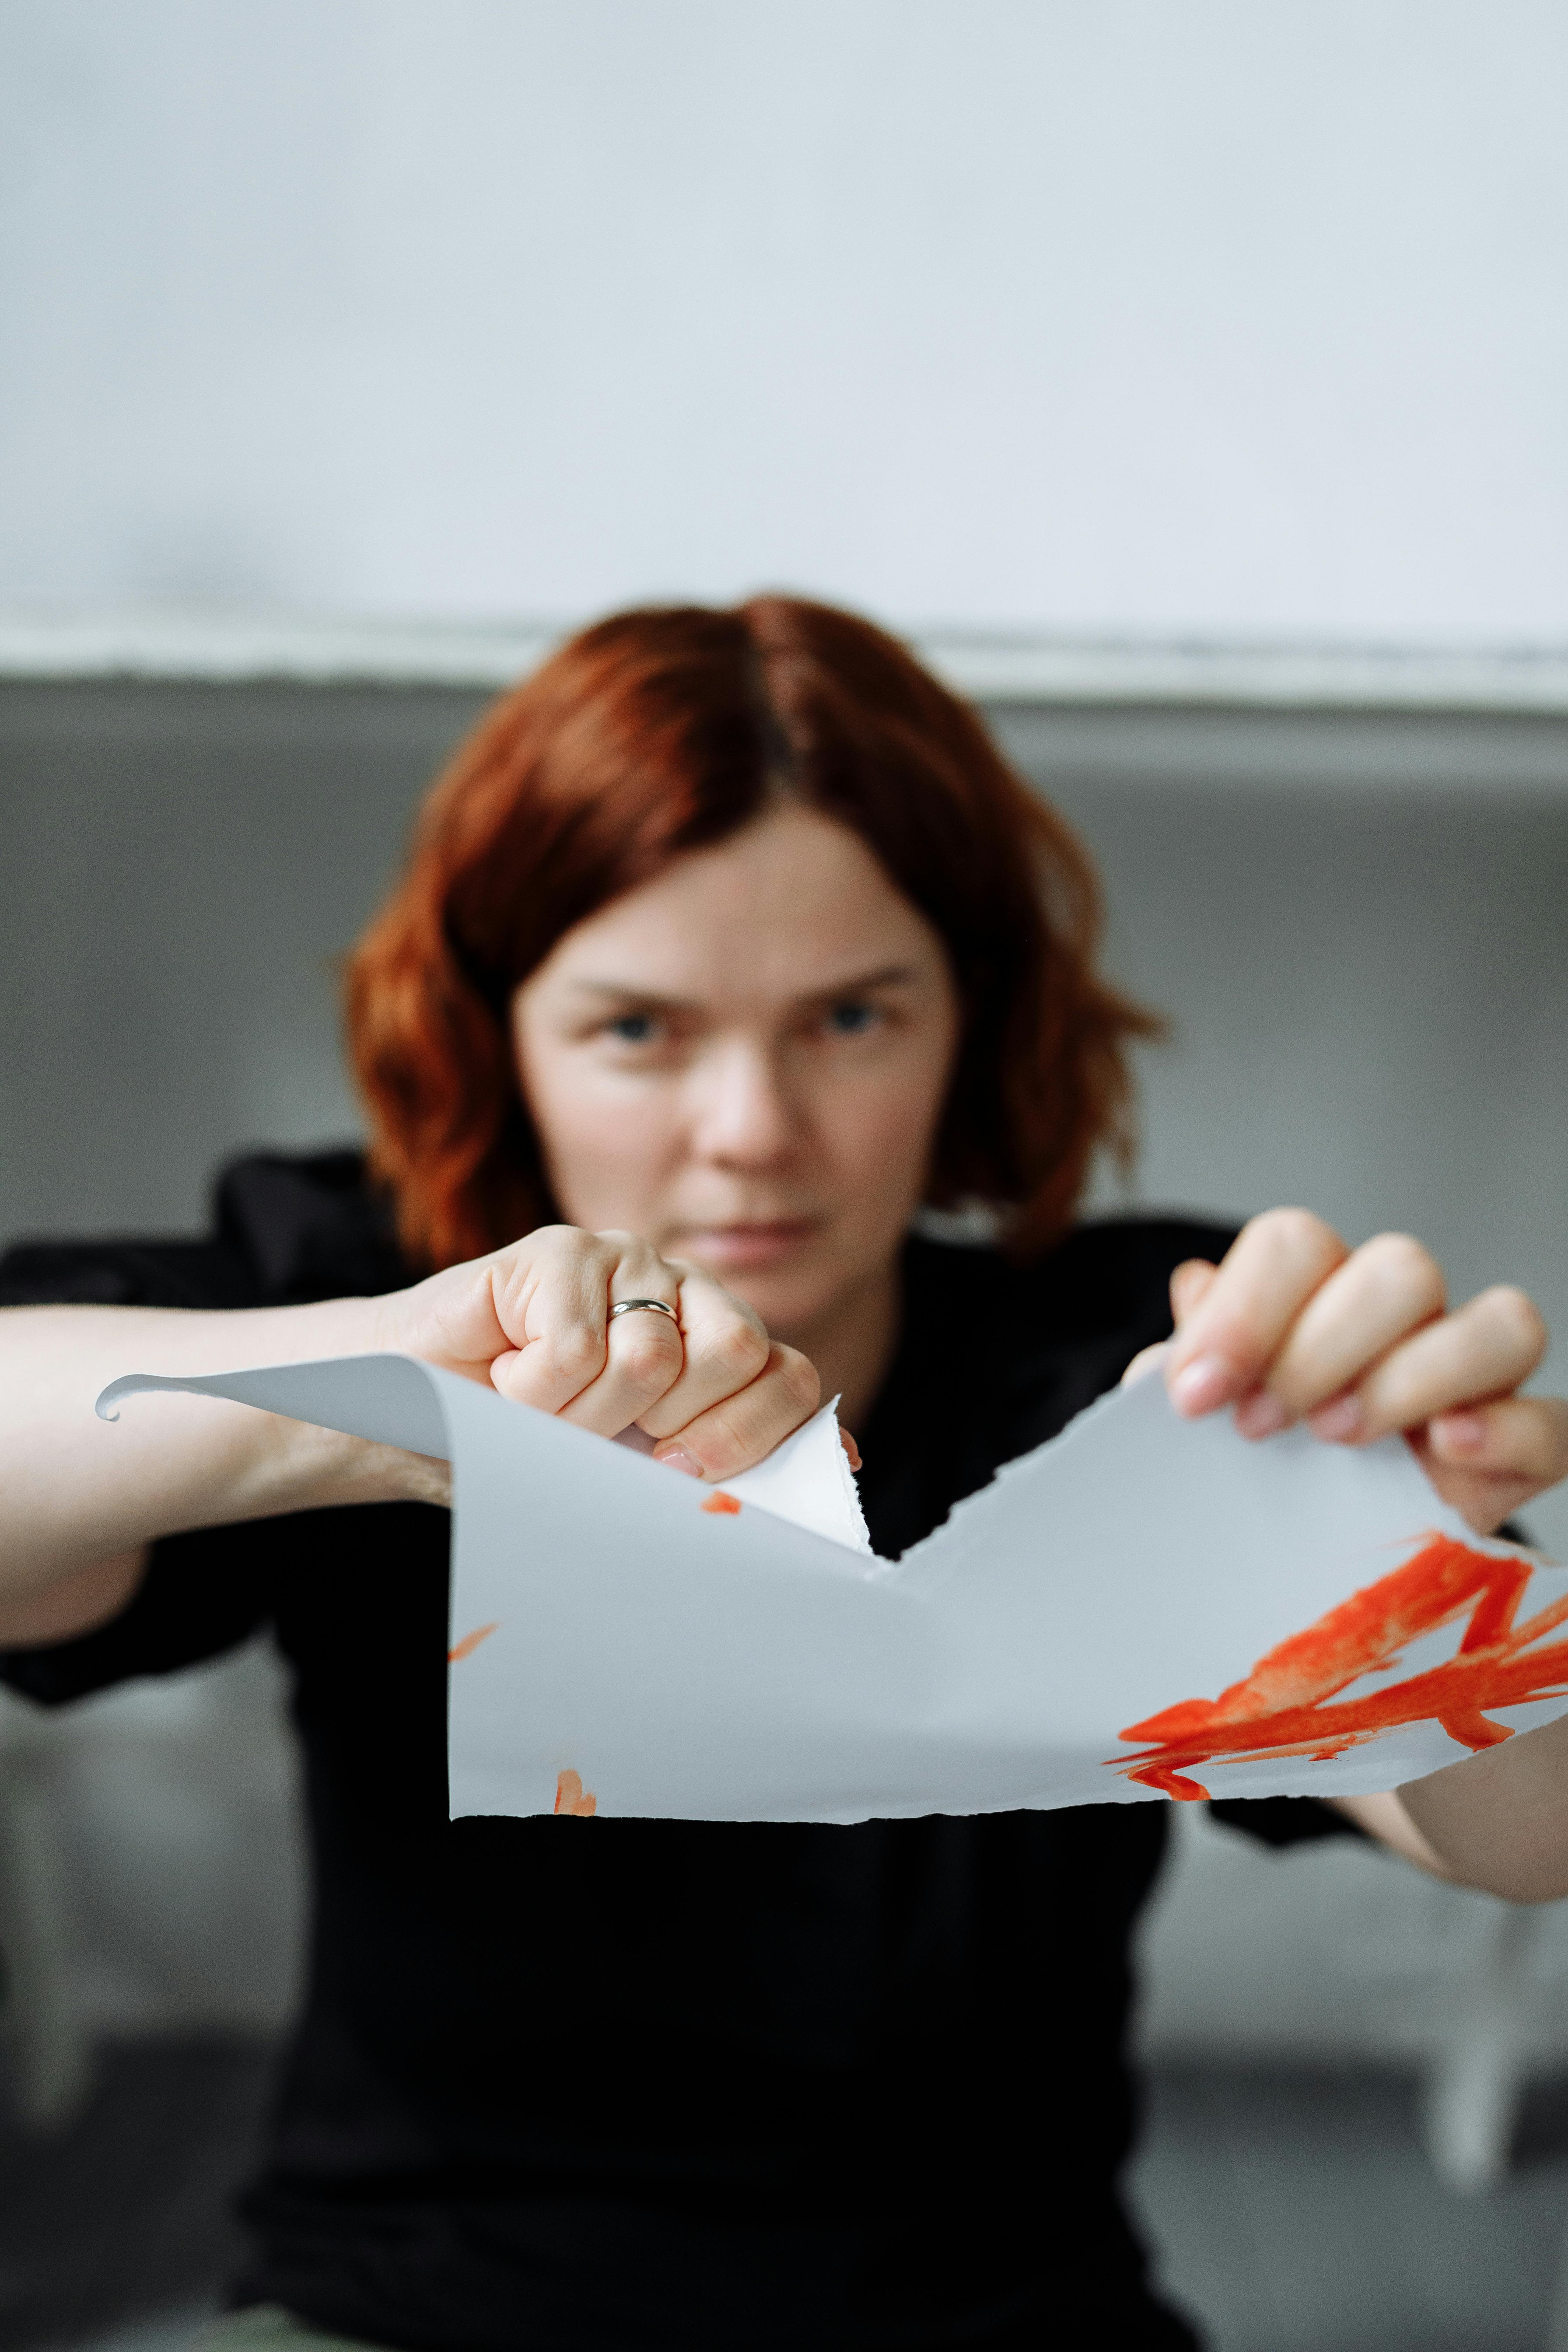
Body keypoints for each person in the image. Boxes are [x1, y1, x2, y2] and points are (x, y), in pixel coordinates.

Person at [1, 597, 1564, 2352]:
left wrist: (1401, 1583)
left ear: (965, 1021)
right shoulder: (341, 1279)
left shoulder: (1139, 1360)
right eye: (638, 1032)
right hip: (413, 2314)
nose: (748, 1124)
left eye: (848, 1018)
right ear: (495, 1030)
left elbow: (1533, 1836)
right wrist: (368, 1398)